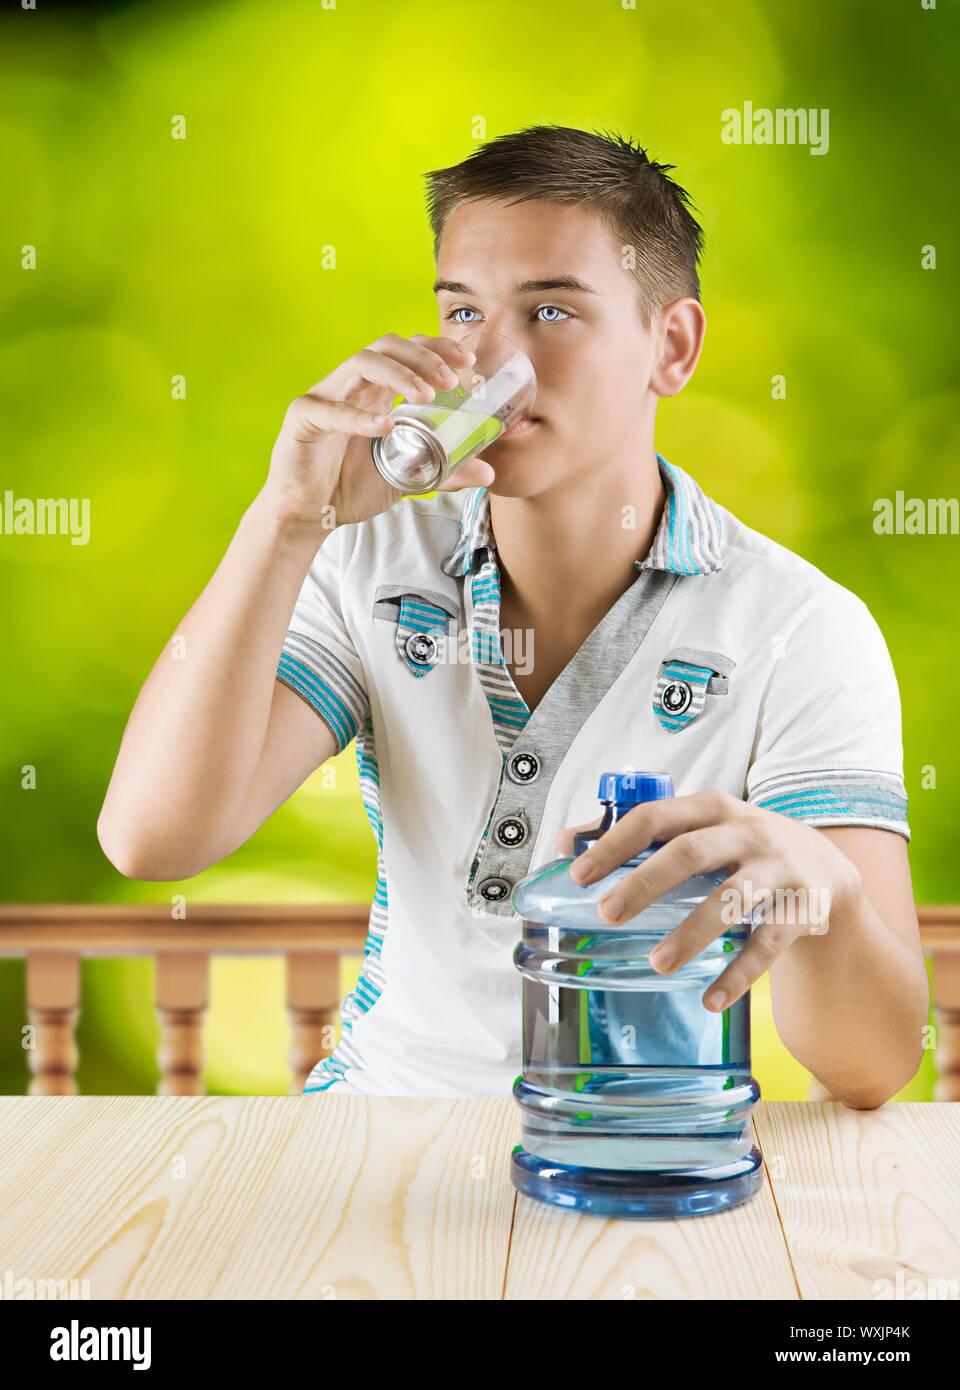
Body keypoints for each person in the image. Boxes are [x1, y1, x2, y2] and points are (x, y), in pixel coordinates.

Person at [97, 125, 928, 1108]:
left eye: (550, 311)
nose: (496, 361)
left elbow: (873, 1066)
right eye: (464, 311)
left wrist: (821, 887)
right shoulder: (367, 556)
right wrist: (285, 521)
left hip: (631, 1157)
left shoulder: (799, 628)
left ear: (671, 345)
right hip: (377, 1134)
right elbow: (153, 841)